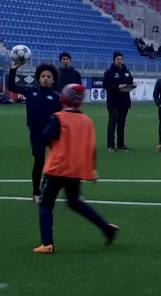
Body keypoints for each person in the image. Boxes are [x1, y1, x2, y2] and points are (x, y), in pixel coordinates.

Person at [32, 83, 118, 254]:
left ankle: (47, 243)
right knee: (75, 202)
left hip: (57, 168)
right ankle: (106, 228)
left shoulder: (58, 118)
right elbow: (90, 147)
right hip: (75, 169)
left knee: (45, 204)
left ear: (63, 98)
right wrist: (92, 169)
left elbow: (43, 140)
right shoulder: (87, 121)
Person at [4, 45, 61, 202]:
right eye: (43, 76)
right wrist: (13, 69)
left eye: (49, 76)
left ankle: (45, 188)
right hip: (36, 133)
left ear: (53, 79)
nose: (45, 78)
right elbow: (11, 87)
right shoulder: (31, 91)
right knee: (39, 161)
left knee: (54, 163)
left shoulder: (56, 96)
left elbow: (61, 116)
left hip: (53, 134)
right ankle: (36, 191)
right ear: (38, 78)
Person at [102, 51, 134, 151]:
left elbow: (130, 81)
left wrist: (133, 84)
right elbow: (105, 85)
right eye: (118, 59)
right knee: (112, 123)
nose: (120, 61)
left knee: (122, 124)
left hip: (124, 102)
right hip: (113, 102)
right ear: (114, 60)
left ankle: (121, 145)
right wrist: (117, 87)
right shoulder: (109, 72)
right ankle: (110, 145)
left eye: (121, 59)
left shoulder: (126, 72)